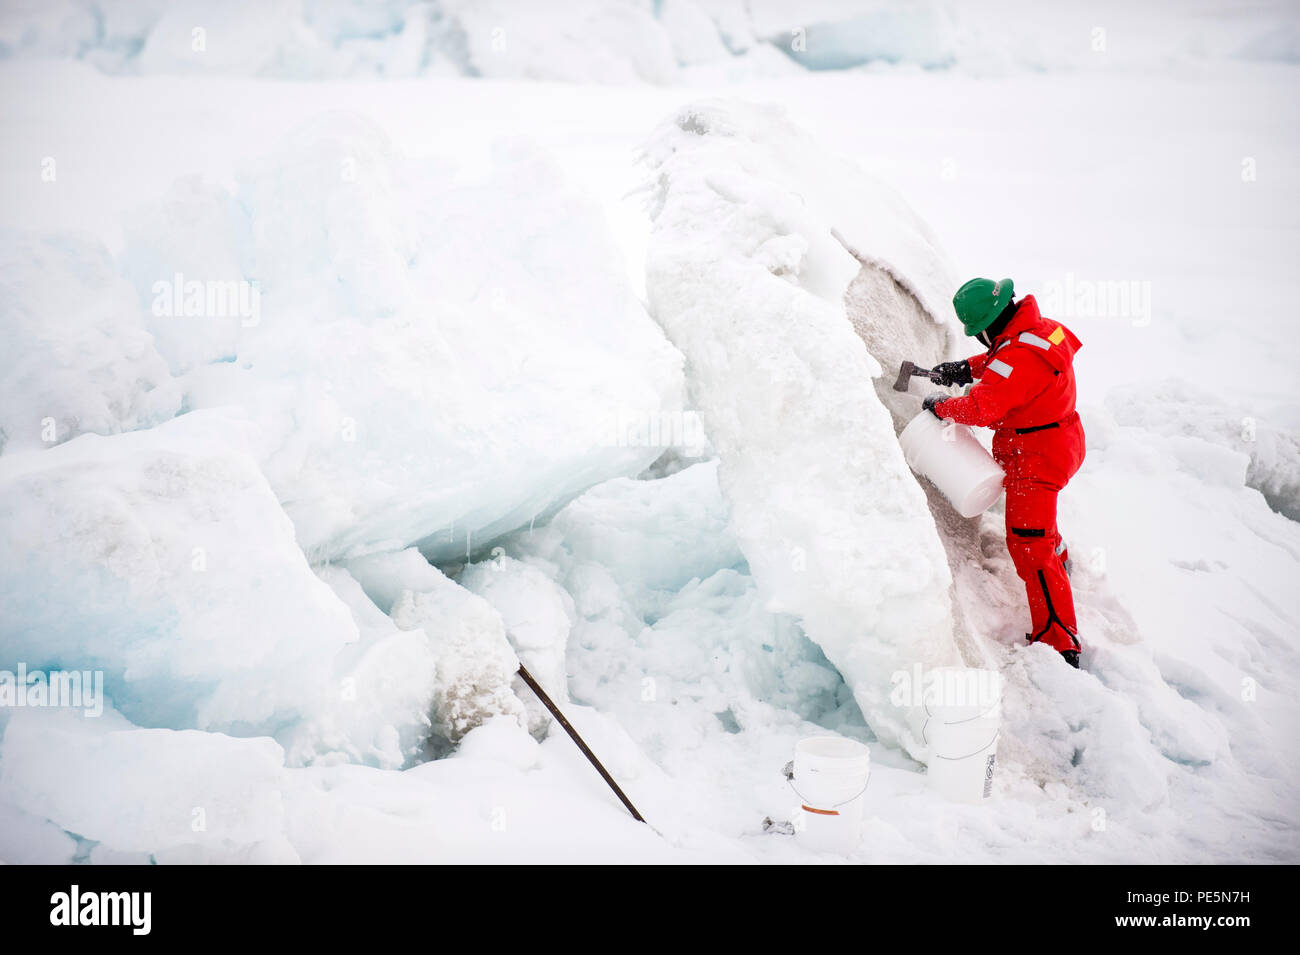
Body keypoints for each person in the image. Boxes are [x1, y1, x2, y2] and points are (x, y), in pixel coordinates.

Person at [922, 277, 1086, 667]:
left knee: (1029, 545)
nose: (980, 340)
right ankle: (1058, 557)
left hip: (1038, 459)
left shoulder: (1017, 357)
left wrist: (942, 405)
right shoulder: (1041, 330)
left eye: (979, 333)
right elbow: (1013, 359)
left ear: (990, 324)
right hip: (1057, 440)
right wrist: (966, 368)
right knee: (1041, 533)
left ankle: (1060, 641)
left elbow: (983, 408)